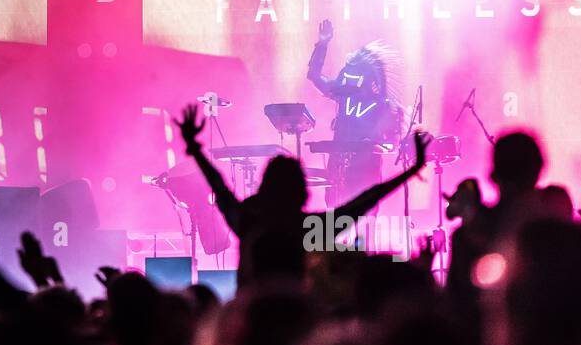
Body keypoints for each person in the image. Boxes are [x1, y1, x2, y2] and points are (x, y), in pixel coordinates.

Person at [176, 102, 430, 285]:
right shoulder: (308, 228)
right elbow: (367, 199)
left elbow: (219, 186)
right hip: (295, 324)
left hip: (251, 325)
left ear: (264, 185)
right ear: (301, 191)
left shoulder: (247, 221)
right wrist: (414, 168)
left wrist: (194, 148)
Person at [306, 18, 406, 201]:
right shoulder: (342, 96)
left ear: (368, 79)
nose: (347, 79)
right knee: (334, 216)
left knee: (365, 217)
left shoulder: (382, 106)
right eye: (345, 74)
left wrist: (375, 146)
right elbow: (313, 75)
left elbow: (393, 143)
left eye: (354, 75)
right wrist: (322, 44)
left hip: (366, 172)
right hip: (338, 167)